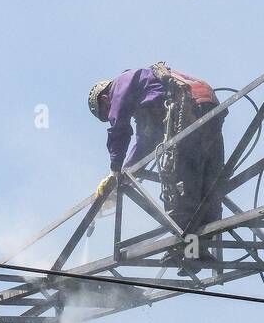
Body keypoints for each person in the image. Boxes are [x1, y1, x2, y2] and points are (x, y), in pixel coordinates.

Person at [88, 63, 224, 258]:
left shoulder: (121, 83)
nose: (110, 114)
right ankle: (196, 248)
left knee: (179, 181)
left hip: (188, 106)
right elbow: (146, 142)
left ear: (104, 98)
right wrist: (123, 179)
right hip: (208, 106)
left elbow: (119, 127)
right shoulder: (148, 91)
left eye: (107, 112)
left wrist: (114, 171)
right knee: (208, 183)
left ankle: (184, 244)